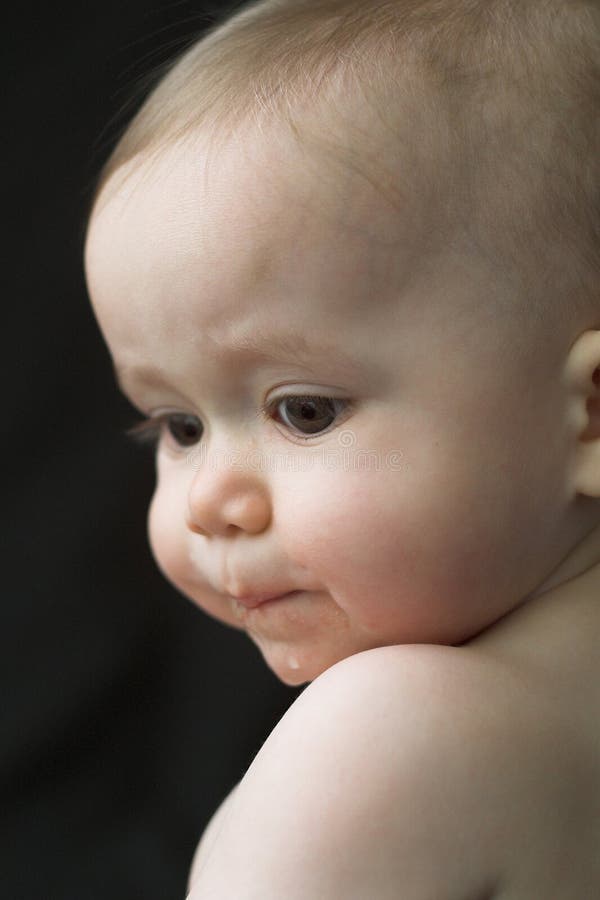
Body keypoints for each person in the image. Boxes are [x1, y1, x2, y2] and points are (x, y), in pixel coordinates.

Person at [83, 0, 600, 896]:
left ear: (590, 415)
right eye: (179, 427)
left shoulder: (386, 740)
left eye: (306, 411)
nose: (211, 501)